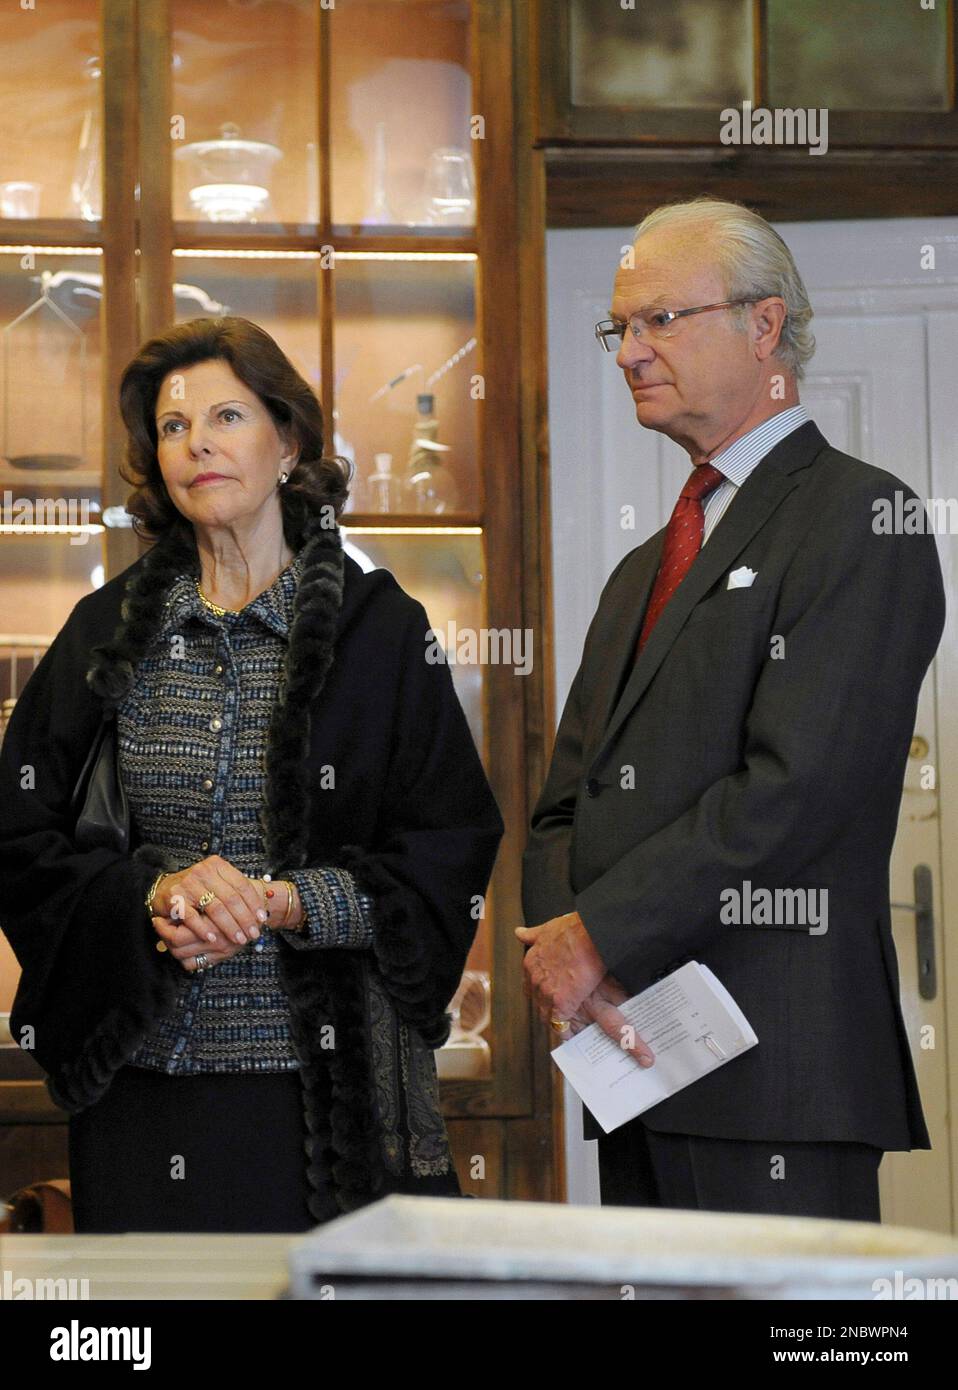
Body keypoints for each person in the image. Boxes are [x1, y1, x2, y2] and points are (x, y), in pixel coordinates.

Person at [0, 315, 503, 1234]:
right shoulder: (100, 633)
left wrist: (285, 902)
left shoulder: (380, 632)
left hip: (320, 1092)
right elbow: (18, 838)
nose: (197, 445)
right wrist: (155, 895)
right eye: (173, 426)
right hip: (138, 1088)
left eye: (227, 416)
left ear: (289, 442)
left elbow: (449, 845)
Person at [519, 197, 945, 1222]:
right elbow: (562, 800)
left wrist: (598, 937)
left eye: (659, 319)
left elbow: (795, 791)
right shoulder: (642, 567)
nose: (628, 351)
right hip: (637, 1062)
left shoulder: (859, 517)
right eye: (618, 326)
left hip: (779, 1077)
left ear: (764, 326)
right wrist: (566, 954)